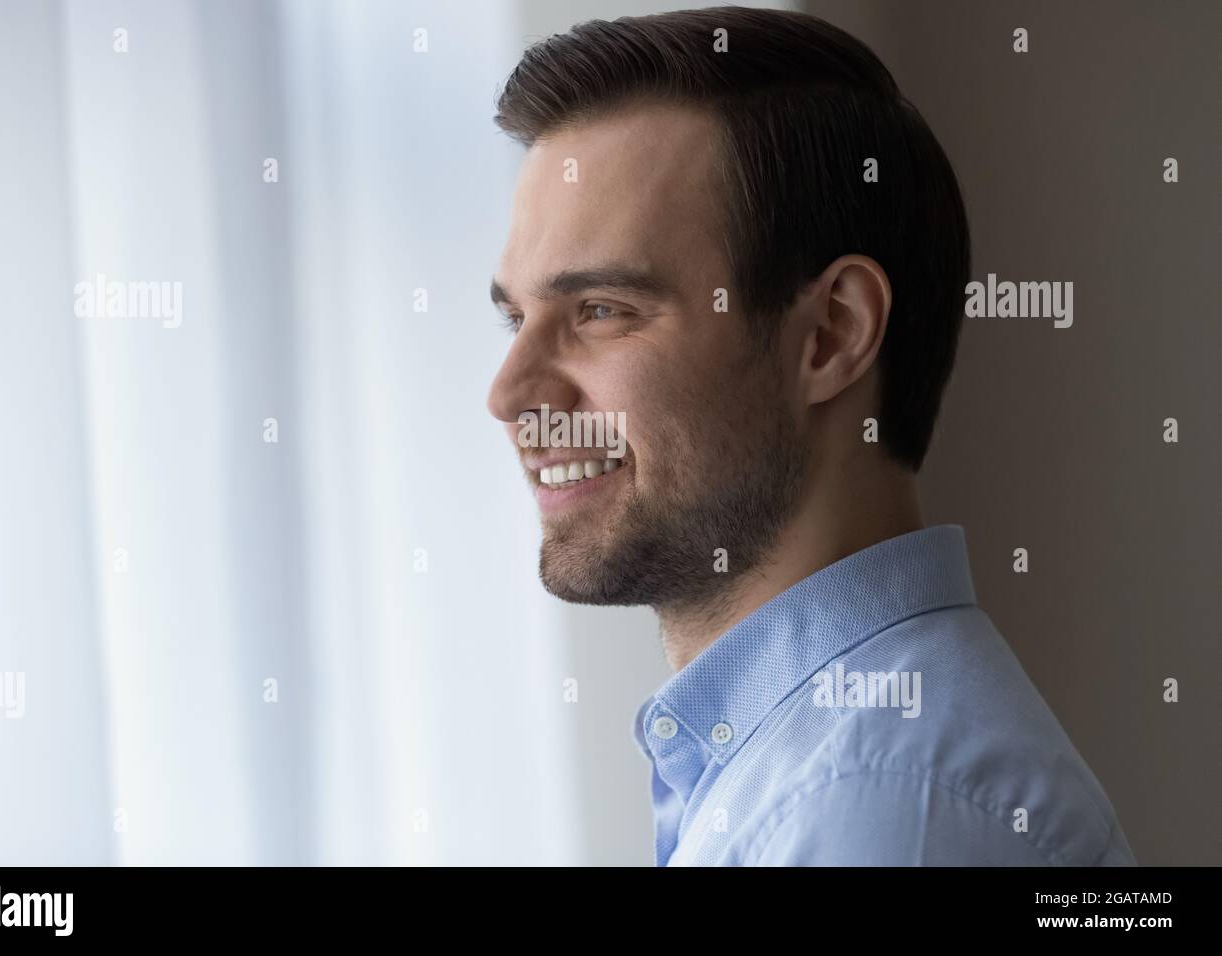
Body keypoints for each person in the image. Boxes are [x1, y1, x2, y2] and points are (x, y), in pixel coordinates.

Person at [485, 7, 1135, 866]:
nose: (508, 393)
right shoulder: (809, 775)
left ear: (830, 334)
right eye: (517, 318)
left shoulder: (880, 810)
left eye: (601, 311)